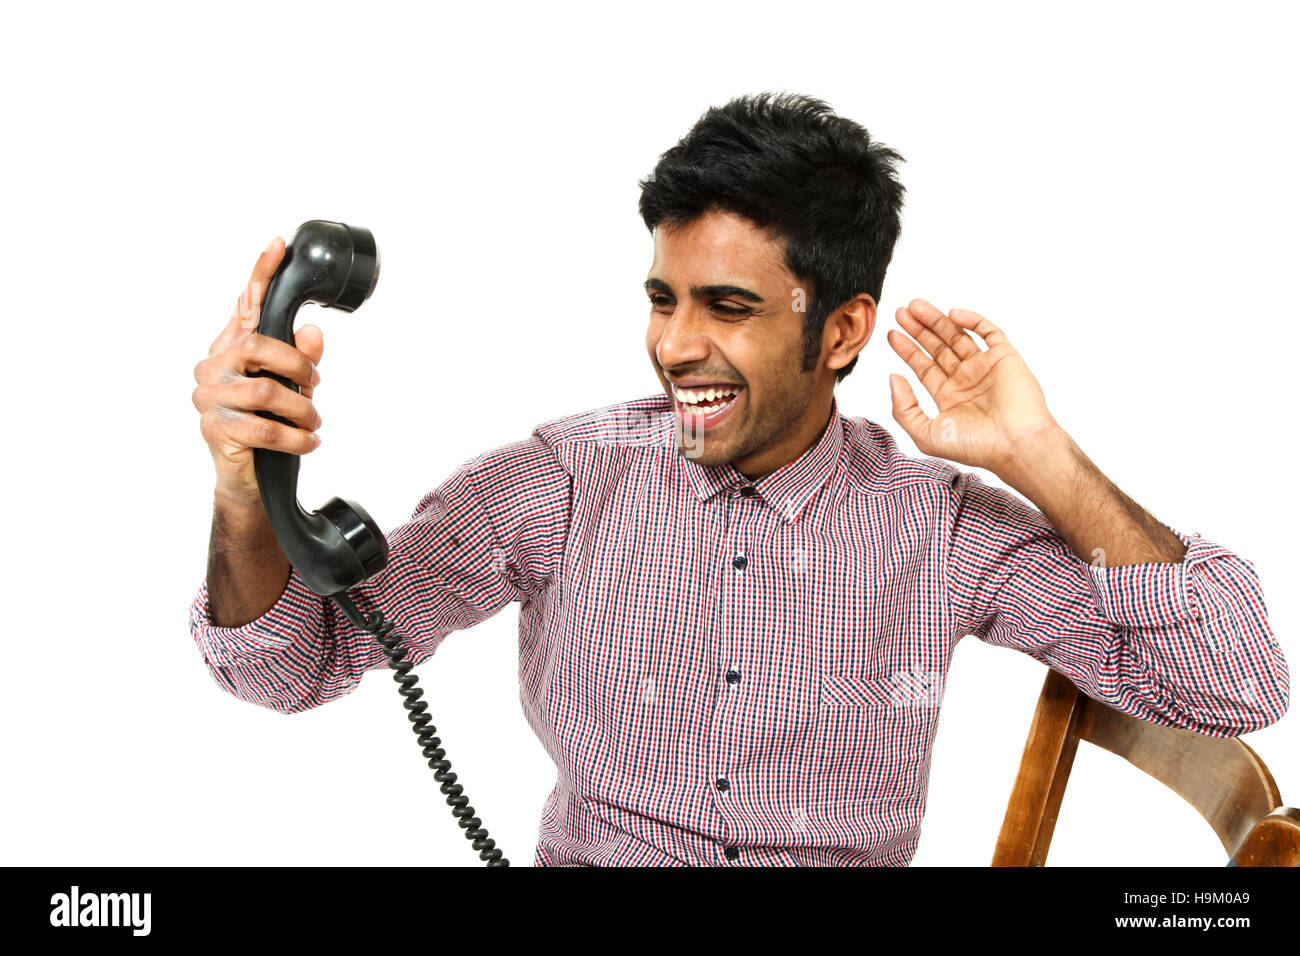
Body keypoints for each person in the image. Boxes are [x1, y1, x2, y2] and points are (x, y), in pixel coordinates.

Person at [189, 92, 1289, 867]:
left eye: (728, 307)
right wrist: (247, 486)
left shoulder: (935, 530)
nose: (674, 346)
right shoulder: (564, 479)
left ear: (841, 328)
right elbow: (288, 668)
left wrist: (1040, 455)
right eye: (663, 298)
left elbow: (1234, 684)